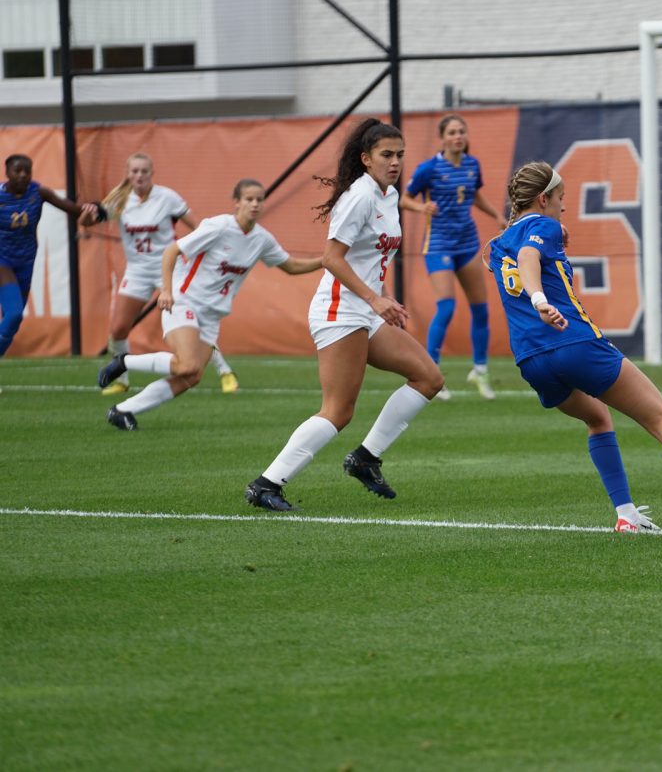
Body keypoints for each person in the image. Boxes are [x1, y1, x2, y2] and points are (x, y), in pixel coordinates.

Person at [487, 160, 662, 535]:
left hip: (531, 361)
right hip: (575, 343)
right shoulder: (544, 226)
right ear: (543, 199)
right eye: (561, 198)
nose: (564, 206)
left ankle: (626, 515)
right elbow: (528, 256)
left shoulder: (495, 246)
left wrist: (547, 247)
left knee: (597, 418)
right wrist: (541, 300)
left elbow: (516, 253)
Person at [244, 118, 445, 512]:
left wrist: (379, 299)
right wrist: (375, 299)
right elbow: (332, 259)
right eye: (386, 155)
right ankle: (266, 484)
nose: (395, 162)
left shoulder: (388, 196)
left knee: (429, 377)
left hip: (364, 311)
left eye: (400, 155)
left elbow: (368, 258)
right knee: (338, 411)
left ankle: (365, 459)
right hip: (340, 311)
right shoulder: (360, 196)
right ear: (366, 158)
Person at [96, 179, 321, 429]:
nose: (255, 204)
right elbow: (171, 251)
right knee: (187, 364)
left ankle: (123, 410)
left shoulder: (262, 239)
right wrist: (168, 291)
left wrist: (326, 260)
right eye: (249, 199)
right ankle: (124, 361)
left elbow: (291, 266)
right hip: (185, 301)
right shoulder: (218, 226)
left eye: (259, 199)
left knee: (191, 376)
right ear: (237, 202)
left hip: (212, 315)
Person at [88, 153, 241, 394]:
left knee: (197, 320)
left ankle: (225, 371)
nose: (139, 176)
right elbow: (88, 220)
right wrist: (86, 217)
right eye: (135, 171)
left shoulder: (167, 197)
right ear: (128, 173)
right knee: (118, 329)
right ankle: (122, 379)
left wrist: (204, 249)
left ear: (152, 173)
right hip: (137, 270)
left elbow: (198, 226)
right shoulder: (119, 199)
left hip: (170, 267)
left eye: (144, 171)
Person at [402, 114, 505, 400]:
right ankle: (432, 372)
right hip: (438, 245)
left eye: (461, 131)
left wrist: (496, 215)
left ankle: (480, 371)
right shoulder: (430, 168)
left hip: (468, 243)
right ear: (443, 138)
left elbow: (474, 195)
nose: (457, 136)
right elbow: (404, 198)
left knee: (481, 309)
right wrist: (420, 208)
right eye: (452, 132)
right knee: (446, 307)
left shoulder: (473, 165)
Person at [0, 154, 99, 356]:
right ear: (7, 173)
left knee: (13, 322)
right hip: (3, 262)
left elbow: (77, 211)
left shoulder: (38, 193)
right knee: (13, 314)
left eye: (27, 171)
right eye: (17, 171)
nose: (23, 175)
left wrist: (93, 212)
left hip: (26, 263)